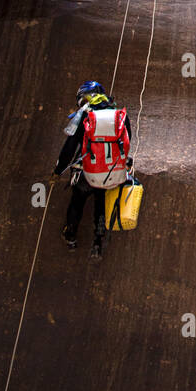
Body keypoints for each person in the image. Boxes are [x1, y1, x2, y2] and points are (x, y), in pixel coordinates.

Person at [52, 81, 132, 259]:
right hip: (111, 173)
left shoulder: (84, 116)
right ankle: (97, 242)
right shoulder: (120, 115)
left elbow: (69, 147)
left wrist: (58, 171)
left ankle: (70, 236)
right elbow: (127, 142)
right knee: (101, 205)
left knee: (77, 202)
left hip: (86, 173)